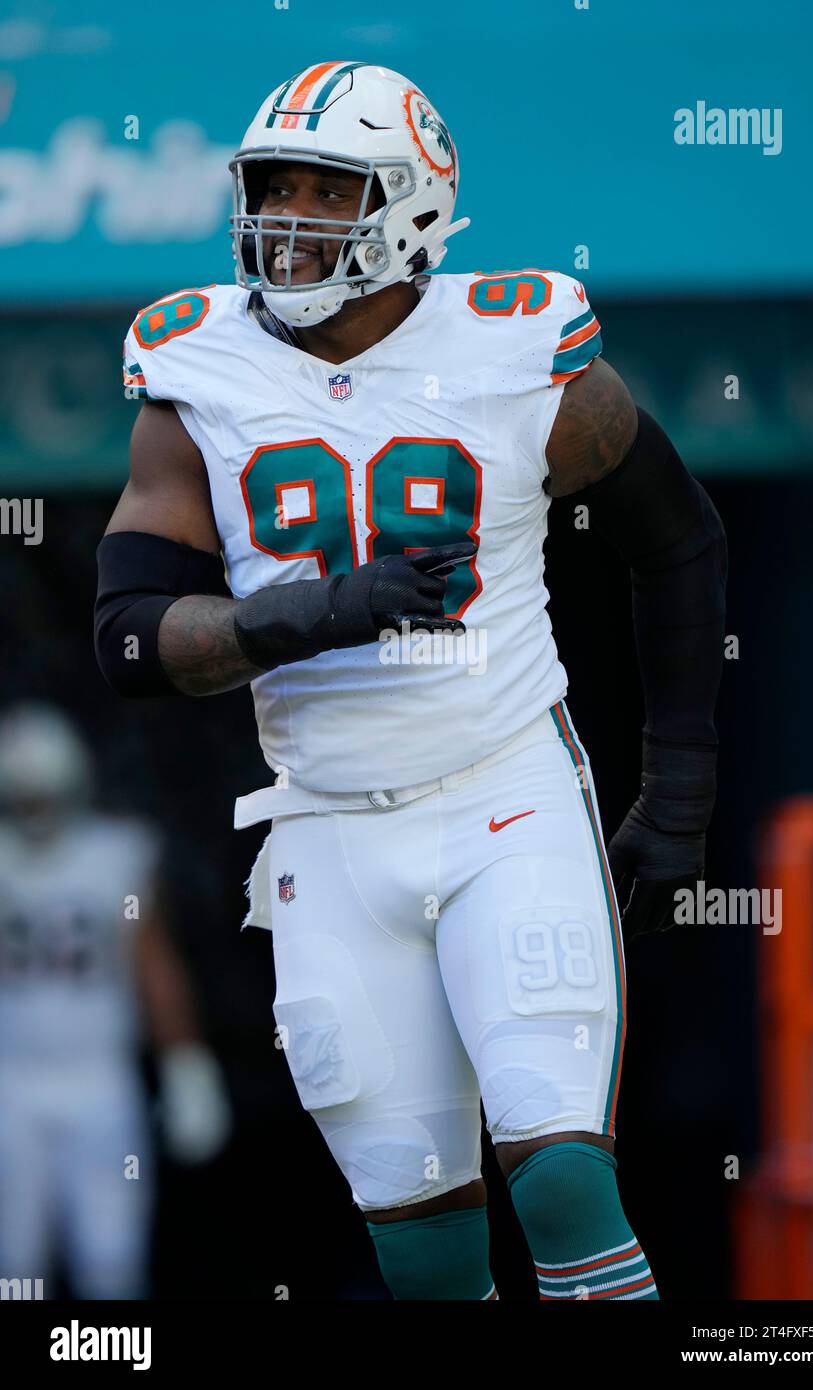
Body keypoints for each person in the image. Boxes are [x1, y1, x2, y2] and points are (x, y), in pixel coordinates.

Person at [95, 61, 726, 1301]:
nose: (283, 215)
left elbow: (678, 535)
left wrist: (682, 787)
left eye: (323, 190)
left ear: (410, 203)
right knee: (423, 1253)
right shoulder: (194, 362)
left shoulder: (516, 340)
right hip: (321, 830)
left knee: (555, 1175)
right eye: (267, 184)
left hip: (503, 794)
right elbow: (125, 639)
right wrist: (323, 611)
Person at [0, 703, 231, 1298]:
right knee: (15, 1265)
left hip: (99, 1077)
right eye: (24, 799)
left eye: (43, 796)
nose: (36, 813)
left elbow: (152, 964)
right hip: (13, 1079)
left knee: (111, 1256)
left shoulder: (115, 853)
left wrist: (186, 1065)